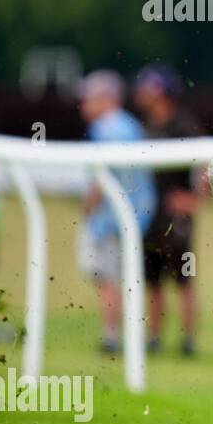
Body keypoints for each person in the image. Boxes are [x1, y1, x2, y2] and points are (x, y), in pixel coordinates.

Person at [77, 70, 156, 354]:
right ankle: (140, 334)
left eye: (87, 99)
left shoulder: (106, 128)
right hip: (138, 216)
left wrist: (88, 206)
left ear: (105, 98)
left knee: (109, 279)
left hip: (111, 219)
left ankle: (111, 336)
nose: (83, 105)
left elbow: (103, 178)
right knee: (131, 278)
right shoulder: (131, 125)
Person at [134, 64, 203, 356]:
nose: (141, 92)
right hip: (150, 214)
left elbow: (205, 165)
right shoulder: (145, 124)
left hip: (177, 217)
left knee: (183, 281)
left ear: (161, 92)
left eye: (148, 87)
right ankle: (154, 337)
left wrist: (193, 199)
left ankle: (188, 340)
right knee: (153, 280)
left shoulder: (183, 124)